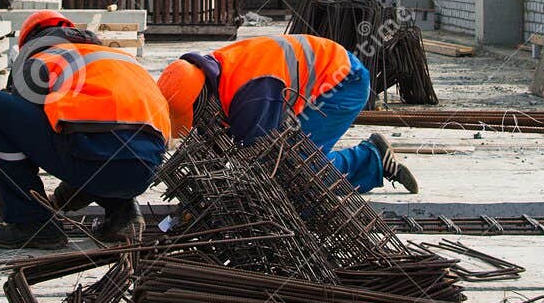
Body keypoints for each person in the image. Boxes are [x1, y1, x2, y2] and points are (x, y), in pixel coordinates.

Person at [0, 10, 171, 249]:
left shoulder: (42, 60)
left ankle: (32, 224)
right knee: (115, 141)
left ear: (30, 42)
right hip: (145, 172)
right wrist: (62, 199)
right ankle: (123, 216)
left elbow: (21, 132)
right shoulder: (119, 59)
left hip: (92, 160)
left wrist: (23, 197)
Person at [157, 34, 418, 193]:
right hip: (324, 75)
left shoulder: (253, 93)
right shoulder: (212, 73)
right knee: (288, 165)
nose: (200, 123)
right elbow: (217, 139)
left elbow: (256, 157)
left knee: (297, 173)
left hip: (341, 82)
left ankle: (371, 160)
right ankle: (370, 159)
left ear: (202, 98)